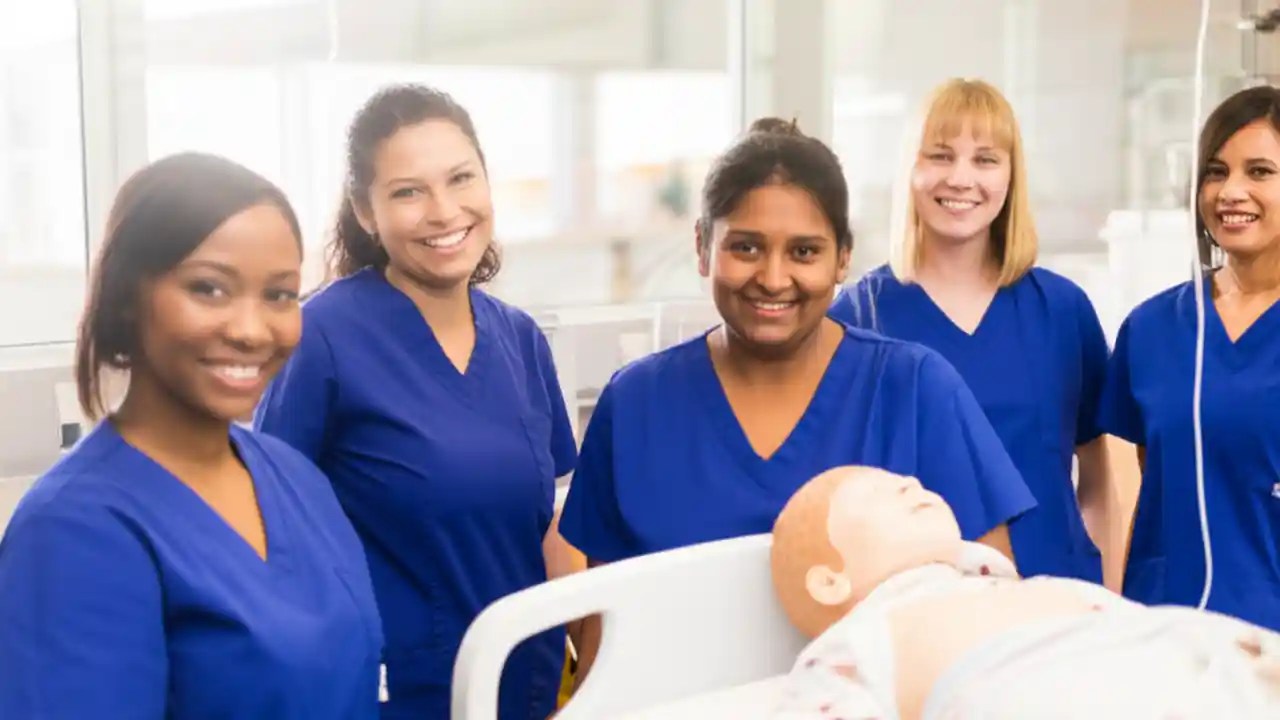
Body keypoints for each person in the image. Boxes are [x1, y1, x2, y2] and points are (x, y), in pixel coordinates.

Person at [559, 117, 1036, 684]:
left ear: (842, 260)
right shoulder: (636, 403)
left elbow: (988, 609)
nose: (773, 277)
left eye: (805, 251)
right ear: (702, 247)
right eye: (746, 247)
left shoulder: (915, 391)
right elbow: (602, 639)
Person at [0, 153, 384, 718]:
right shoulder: (73, 532)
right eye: (208, 288)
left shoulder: (295, 478)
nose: (252, 330)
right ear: (128, 297)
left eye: (279, 294)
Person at [254, 84, 578, 719]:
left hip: (526, 683)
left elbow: (551, 525)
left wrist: (594, 672)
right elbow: (269, 532)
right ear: (365, 211)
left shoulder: (519, 339)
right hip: (400, 691)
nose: (443, 210)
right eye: (408, 191)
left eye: (461, 179)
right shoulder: (321, 338)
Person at [829, 78, 1115, 585]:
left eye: (985, 159)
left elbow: (1098, 478)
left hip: (1057, 599)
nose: (961, 178)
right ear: (910, 171)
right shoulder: (858, 317)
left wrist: (1105, 593)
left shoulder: (1063, 311)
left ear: (1011, 176)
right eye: (940, 156)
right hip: (919, 609)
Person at [769, 466, 1280, 719]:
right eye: (878, 491)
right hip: (1052, 690)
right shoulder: (864, 636)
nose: (907, 479)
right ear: (828, 580)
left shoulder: (1021, 586)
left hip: (1200, 653)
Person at [1097, 85, 1280, 632]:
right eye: (1216, 171)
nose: (1231, 191)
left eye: (1260, 171)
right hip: (1167, 635)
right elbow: (1150, 492)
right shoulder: (1154, 331)